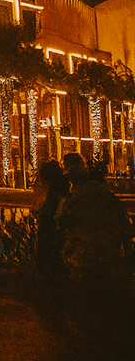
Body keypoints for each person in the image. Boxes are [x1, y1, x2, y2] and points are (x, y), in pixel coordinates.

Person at [54, 151, 133, 359]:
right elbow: (126, 228)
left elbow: (60, 225)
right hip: (109, 259)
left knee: (87, 309)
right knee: (108, 308)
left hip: (82, 262)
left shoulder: (73, 200)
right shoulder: (107, 197)